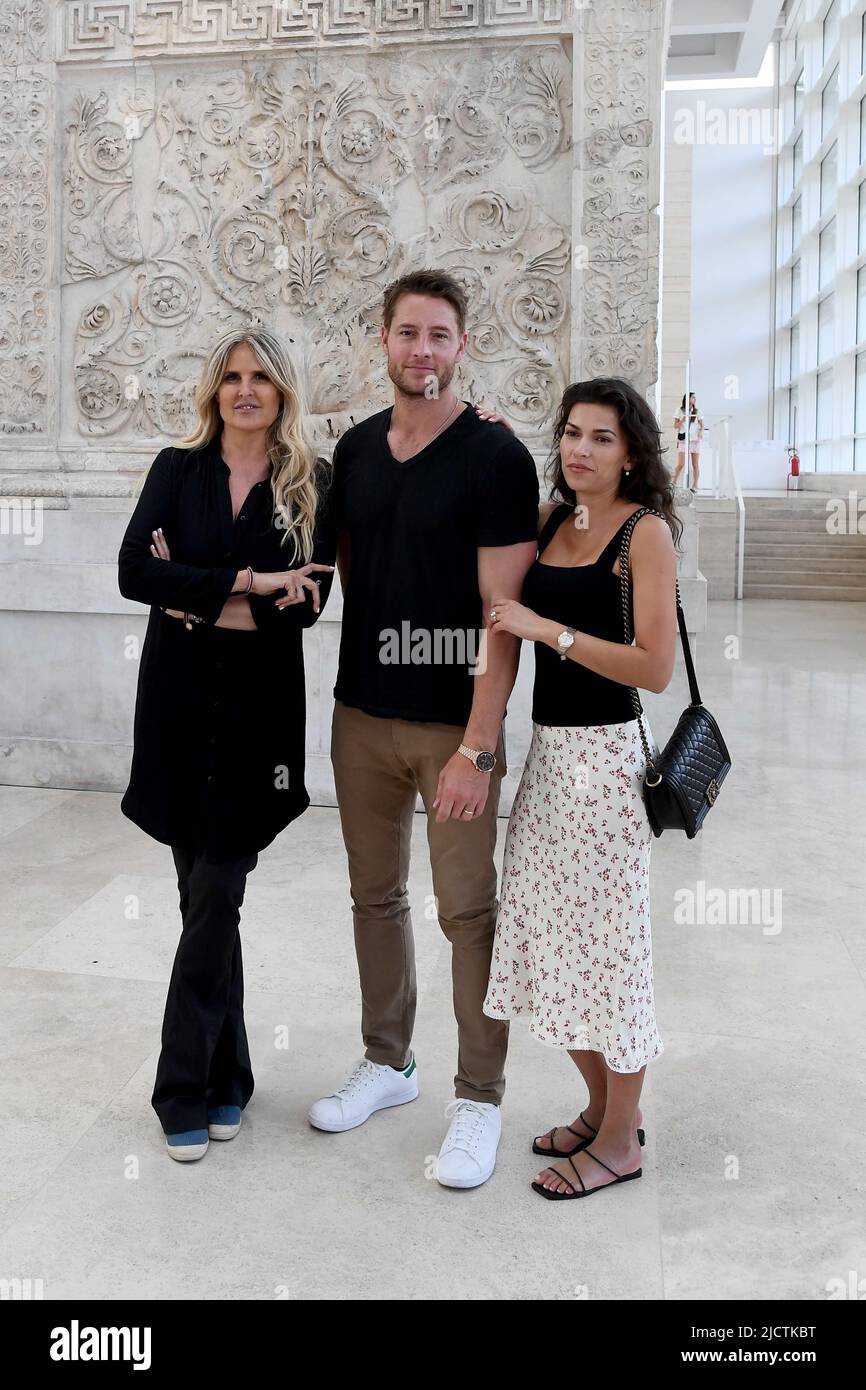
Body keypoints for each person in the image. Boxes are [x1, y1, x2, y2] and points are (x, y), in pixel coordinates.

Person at [308, 269, 540, 1189]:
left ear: (462, 346)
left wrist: (479, 748)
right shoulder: (355, 450)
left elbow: (501, 617)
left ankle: (479, 1096)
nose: (422, 349)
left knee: (467, 913)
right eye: (408, 332)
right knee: (374, 897)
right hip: (361, 715)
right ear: (383, 338)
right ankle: (388, 1060)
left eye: (440, 334)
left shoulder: (496, 457)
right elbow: (344, 571)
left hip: (454, 727)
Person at [118, 328, 335, 1162]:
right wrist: (247, 584)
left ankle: (179, 1090)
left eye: (261, 378)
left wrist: (190, 597)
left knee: (215, 893)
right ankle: (227, 1078)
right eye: (232, 377)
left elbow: (303, 609)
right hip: (176, 713)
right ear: (214, 389)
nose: (246, 390)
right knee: (205, 903)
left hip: (257, 725)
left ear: (283, 391)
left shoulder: (313, 482)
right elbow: (134, 572)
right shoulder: (176, 470)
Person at [483, 376, 680, 1201]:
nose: (581, 450)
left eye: (602, 437)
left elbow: (654, 669)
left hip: (607, 766)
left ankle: (623, 1139)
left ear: (631, 452)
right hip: (550, 761)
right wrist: (482, 435)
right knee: (548, 940)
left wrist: (549, 631)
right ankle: (602, 1112)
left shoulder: (644, 533)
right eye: (570, 432)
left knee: (611, 953)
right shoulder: (551, 522)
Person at [672, 391, 704, 491]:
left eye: (695, 397)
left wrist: (701, 432)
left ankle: (695, 485)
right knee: (681, 464)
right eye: (693, 397)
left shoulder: (697, 411)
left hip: (695, 440)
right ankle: (673, 482)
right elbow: (675, 426)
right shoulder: (679, 410)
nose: (695, 399)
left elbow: (702, 425)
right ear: (688, 399)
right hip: (683, 439)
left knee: (695, 464)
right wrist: (683, 419)